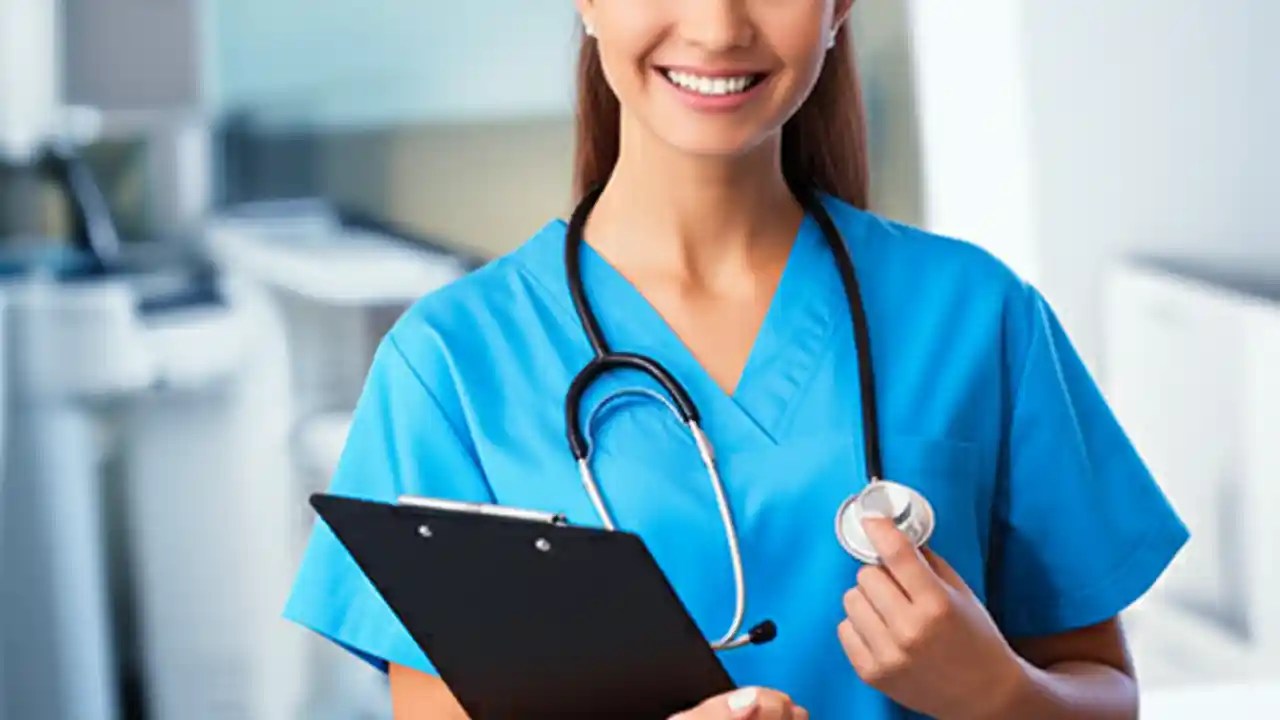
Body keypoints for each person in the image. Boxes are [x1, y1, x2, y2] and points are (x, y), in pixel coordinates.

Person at [283, 1, 1189, 718]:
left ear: (839, 7)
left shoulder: (977, 316)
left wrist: (1000, 698)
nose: (718, 25)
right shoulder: (450, 364)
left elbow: (1102, 686)